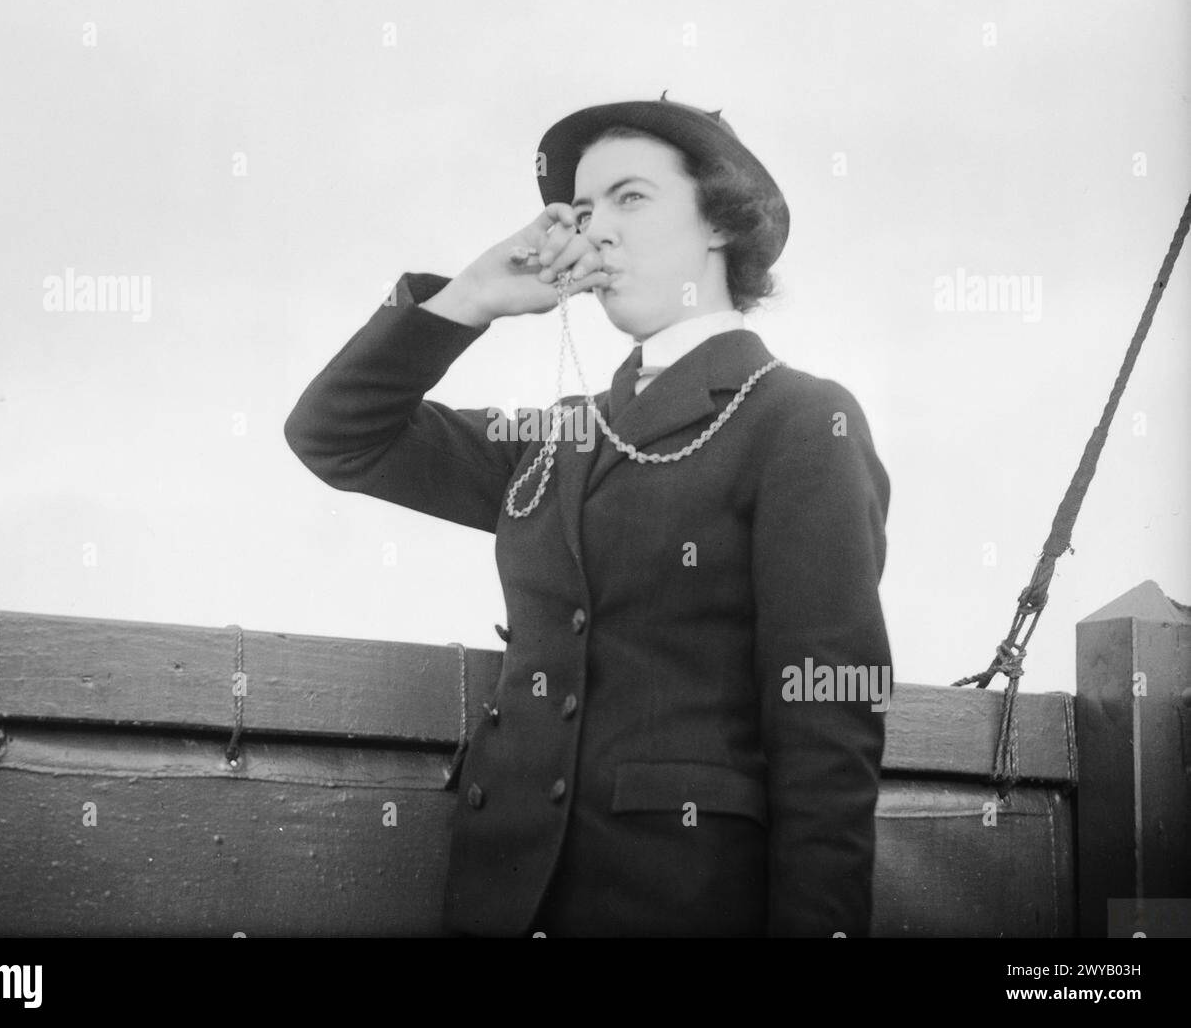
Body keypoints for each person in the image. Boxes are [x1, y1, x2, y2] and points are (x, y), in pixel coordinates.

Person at [284, 95, 893, 937]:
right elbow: (335, 437)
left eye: (630, 197)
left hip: (681, 904)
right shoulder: (562, 434)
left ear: (720, 220)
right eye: (581, 207)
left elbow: (828, 731)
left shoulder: (797, 419)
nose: (594, 227)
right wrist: (472, 297)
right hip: (498, 902)